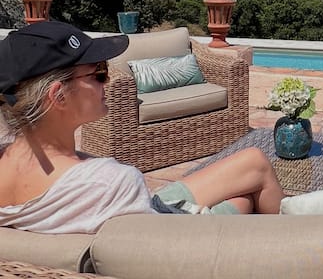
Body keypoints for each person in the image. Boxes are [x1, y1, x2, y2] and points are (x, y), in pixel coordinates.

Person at [0, 21, 285, 233]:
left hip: (131, 212)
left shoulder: (8, 162)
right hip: (176, 237)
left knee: (253, 161)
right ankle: (290, 252)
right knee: (245, 197)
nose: (108, 81)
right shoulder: (111, 182)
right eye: (98, 73)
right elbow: (160, 249)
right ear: (58, 95)